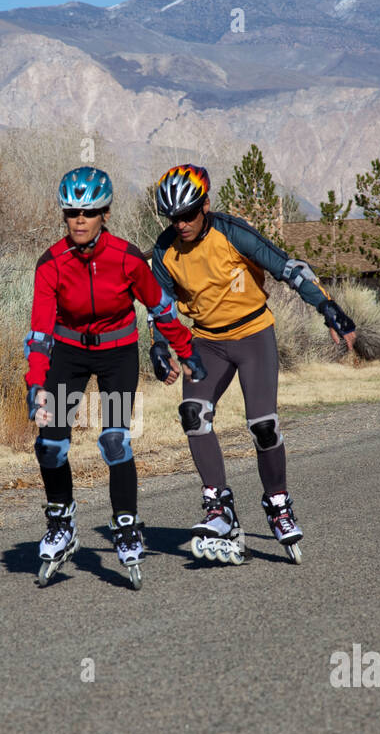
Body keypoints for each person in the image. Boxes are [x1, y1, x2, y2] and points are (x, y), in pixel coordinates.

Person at [149, 164, 357, 562]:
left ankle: (278, 504)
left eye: (188, 214)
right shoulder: (164, 249)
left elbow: (288, 269)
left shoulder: (232, 232)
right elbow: (160, 304)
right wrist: (159, 345)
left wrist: (328, 308)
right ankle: (218, 507)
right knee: (193, 413)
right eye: (172, 217)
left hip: (253, 334)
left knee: (263, 425)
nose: (181, 224)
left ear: (205, 205)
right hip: (206, 341)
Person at [24, 166, 205, 585]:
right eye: (72, 213)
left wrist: (186, 350)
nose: (80, 221)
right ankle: (61, 523)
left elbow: (160, 308)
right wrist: (36, 383)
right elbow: (39, 333)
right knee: (50, 444)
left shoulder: (127, 257)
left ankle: (126, 526)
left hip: (118, 353)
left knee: (114, 440)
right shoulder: (51, 263)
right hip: (68, 353)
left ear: (105, 214)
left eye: (89, 212)